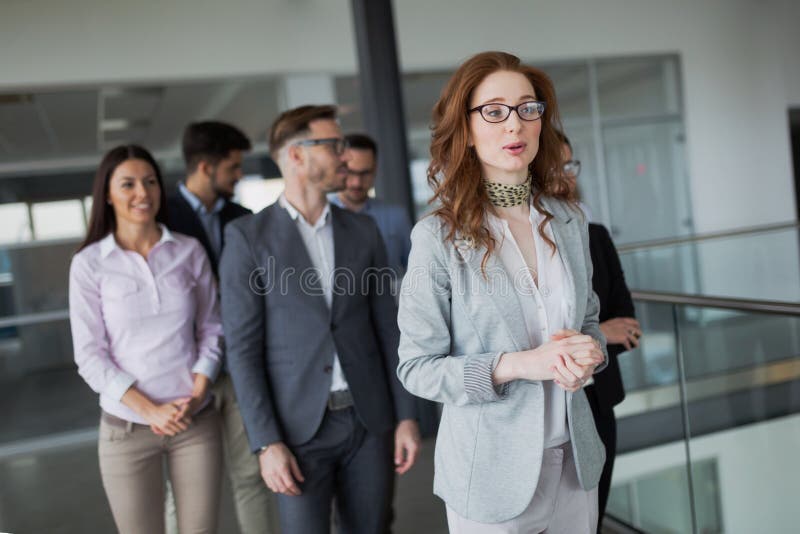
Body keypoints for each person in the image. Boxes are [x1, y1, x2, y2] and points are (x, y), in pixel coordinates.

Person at [396, 51, 608, 533]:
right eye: (494, 110)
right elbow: (416, 369)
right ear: (466, 130)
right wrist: (516, 365)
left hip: (576, 464)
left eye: (527, 108)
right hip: (490, 473)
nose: (515, 125)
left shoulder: (570, 221)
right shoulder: (437, 237)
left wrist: (590, 354)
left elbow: (590, 322)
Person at [220, 105, 420, 534]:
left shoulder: (362, 231)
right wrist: (266, 442)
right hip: (297, 431)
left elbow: (388, 328)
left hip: (369, 422)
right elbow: (242, 350)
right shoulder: (247, 239)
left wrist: (406, 415)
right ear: (296, 155)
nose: (345, 156)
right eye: (334, 146)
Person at [69, 145, 223, 534]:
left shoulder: (188, 251)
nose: (143, 192)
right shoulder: (89, 263)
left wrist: (199, 390)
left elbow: (212, 328)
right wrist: (151, 410)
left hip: (195, 421)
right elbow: (90, 355)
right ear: (107, 193)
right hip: (127, 428)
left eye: (150, 181)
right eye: (128, 184)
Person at [165, 121, 277, 534]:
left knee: (250, 475)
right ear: (206, 166)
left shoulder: (242, 220)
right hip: (186, 374)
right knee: (187, 485)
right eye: (232, 166)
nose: (238, 174)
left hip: (239, 366)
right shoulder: (164, 219)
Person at [331, 132, 440, 438]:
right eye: (349, 173)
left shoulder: (393, 217)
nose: (355, 182)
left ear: (375, 171)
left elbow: (415, 273)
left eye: (364, 174)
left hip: (388, 323)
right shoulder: (324, 217)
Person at [559, 131, 642, 530]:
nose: (566, 175)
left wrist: (598, 335)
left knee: (595, 512)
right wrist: (597, 333)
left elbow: (628, 326)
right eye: (555, 165)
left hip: (598, 398)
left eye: (570, 165)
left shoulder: (597, 235)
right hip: (549, 404)